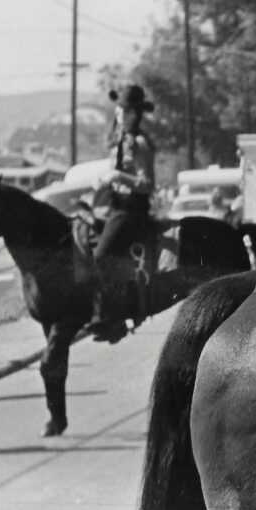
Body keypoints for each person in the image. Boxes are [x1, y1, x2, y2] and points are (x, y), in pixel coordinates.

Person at [88, 83, 157, 343]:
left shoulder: (139, 143)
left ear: (136, 114)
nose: (120, 113)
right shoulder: (119, 142)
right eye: (118, 108)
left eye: (126, 110)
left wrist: (116, 176)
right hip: (116, 206)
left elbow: (147, 183)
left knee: (103, 255)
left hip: (133, 209)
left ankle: (114, 318)